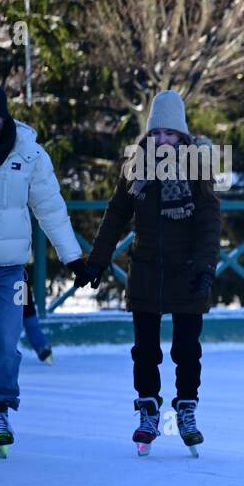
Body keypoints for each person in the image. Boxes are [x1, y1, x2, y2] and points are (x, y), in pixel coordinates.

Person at [83, 90, 223, 454]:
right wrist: (97, 260)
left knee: (186, 349)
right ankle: (147, 410)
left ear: (183, 136)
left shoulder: (197, 169)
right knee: (145, 350)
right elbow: (115, 216)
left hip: (188, 271)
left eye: (171, 134)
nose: (163, 140)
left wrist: (206, 267)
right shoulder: (135, 167)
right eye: (157, 133)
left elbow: (209, 222)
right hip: (145, 271)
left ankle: (187, 409)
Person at [0, 81, 88, 456]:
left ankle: (0, 407)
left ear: (4, 117)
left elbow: (51, 209)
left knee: (6, 344)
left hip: (10, 273)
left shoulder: (31, 155)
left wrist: (72, 257)